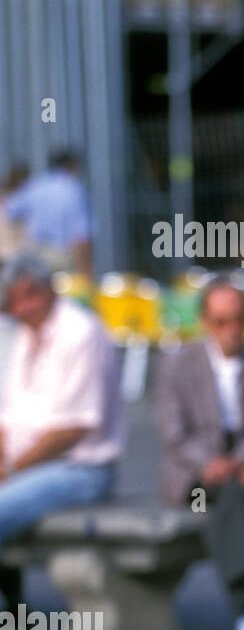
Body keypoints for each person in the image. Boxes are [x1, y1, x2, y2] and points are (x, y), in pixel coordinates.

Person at [155, 277, 244, 630]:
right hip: (193, 490)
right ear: (204, 321)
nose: (231, 330)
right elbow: (173, 432)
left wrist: (237, 463)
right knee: (228, 503)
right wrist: (213, 464)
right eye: (220, 321)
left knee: (230, 506)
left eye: (238, 319)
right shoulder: (177, 365)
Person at [0, 252, 125, 611]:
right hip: (27, 465)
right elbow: (9, 416)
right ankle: (14, 605)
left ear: (50, 290)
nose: (23, 307)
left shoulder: (80, 332)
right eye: (16, 299)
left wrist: (9, 470)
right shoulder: (26, 333)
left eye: (30, 296)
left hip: (80, 469)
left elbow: (72, 429)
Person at [2, 152, 93, 277]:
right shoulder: (74, 190)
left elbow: (10, 209)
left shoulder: (36, 185)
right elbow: (80, 235)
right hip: (62, 255)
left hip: (35, 254)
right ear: (72, 167)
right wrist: (85, 269)